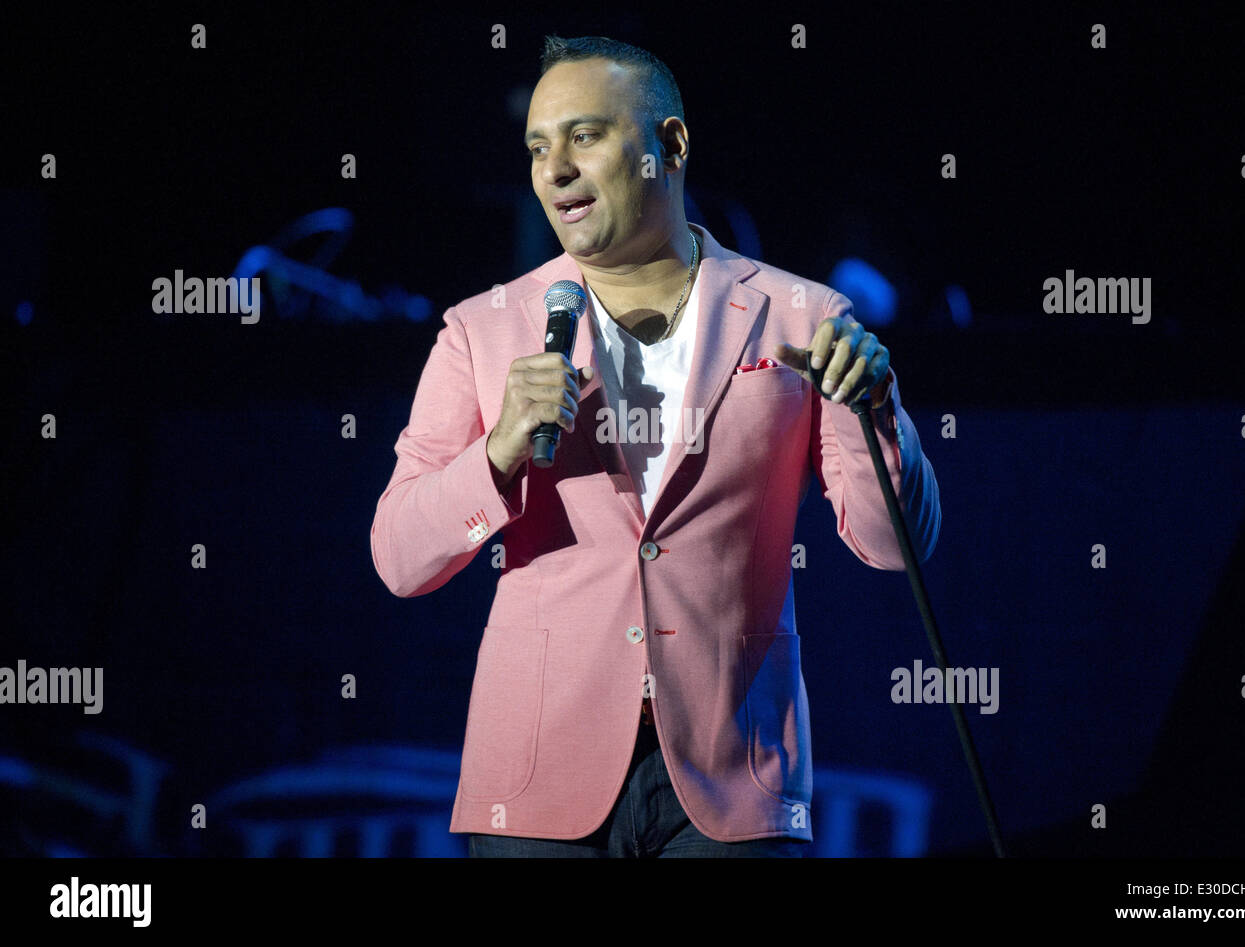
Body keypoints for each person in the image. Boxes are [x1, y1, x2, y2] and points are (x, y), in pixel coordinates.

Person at [370, 35, 941, 857]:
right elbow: (397, 556)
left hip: (732, 775)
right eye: (537, 147)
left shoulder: (802, 316)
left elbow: (896, 549)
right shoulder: (482, 330)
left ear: (668, 146)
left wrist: (876, 408)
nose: (555, 168)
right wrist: (495, 451)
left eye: (585, 135)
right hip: (535, 780)